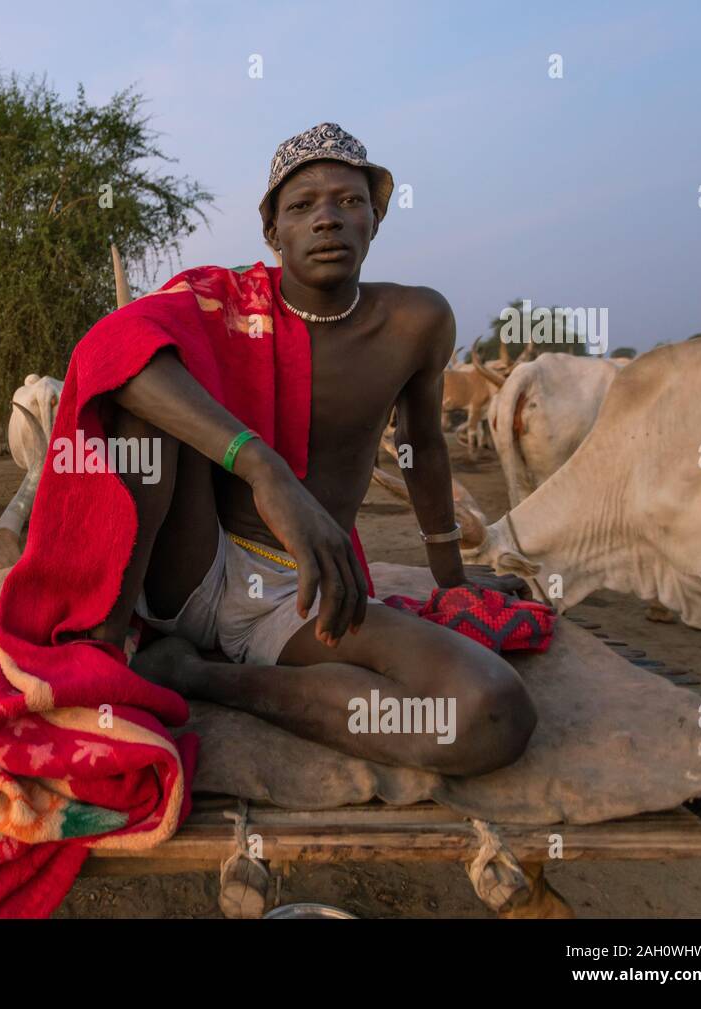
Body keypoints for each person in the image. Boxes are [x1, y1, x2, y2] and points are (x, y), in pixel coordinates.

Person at [93, 123, 537, 775]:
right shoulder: (218, 301)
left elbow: (421, 445)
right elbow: (112, 354)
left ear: (376, 219)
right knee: (148, 400)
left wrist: (451, 578)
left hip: (300, 587)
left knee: (489, 713)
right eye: (301, 206)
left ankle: (198, 677)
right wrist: (262, 467)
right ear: (273, 233)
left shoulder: (416, 323)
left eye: (348, 201)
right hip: (184, 561)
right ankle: (103, 649)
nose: (326, 219)